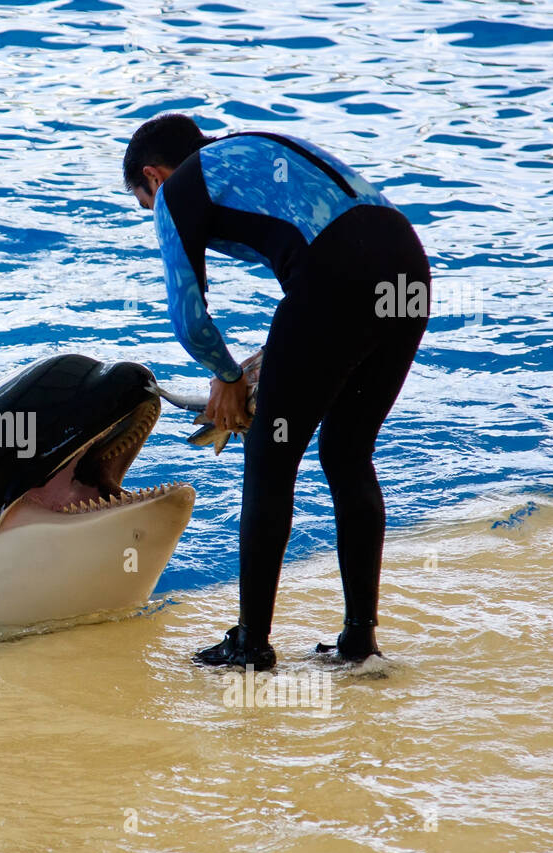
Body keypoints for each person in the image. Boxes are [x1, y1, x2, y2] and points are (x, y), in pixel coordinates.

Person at [123, 114, 430, 669]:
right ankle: (359, 641)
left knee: (269, 457)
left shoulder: (178, 188)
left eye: (147, 203)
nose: (155, 214)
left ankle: (250, 644)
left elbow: (190, 319)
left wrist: (228, 378)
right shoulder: (250, 148)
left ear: (154, 176)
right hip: (407, 264)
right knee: (347, 453)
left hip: (338, 276)